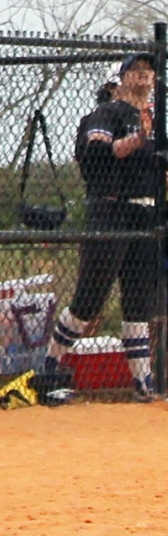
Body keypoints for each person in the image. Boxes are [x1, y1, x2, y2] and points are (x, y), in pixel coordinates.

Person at [39, 54, 165, 402]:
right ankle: (50, 362)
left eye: (149, 70)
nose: (144, 74)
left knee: (139, 301)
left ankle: (143, 381)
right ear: (120, 80)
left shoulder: (157, 118)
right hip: (110, 210)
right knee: (90, 299)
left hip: (146, 213)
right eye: (135, 70)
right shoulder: (106, 114)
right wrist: (135, 140)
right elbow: (94, 160)